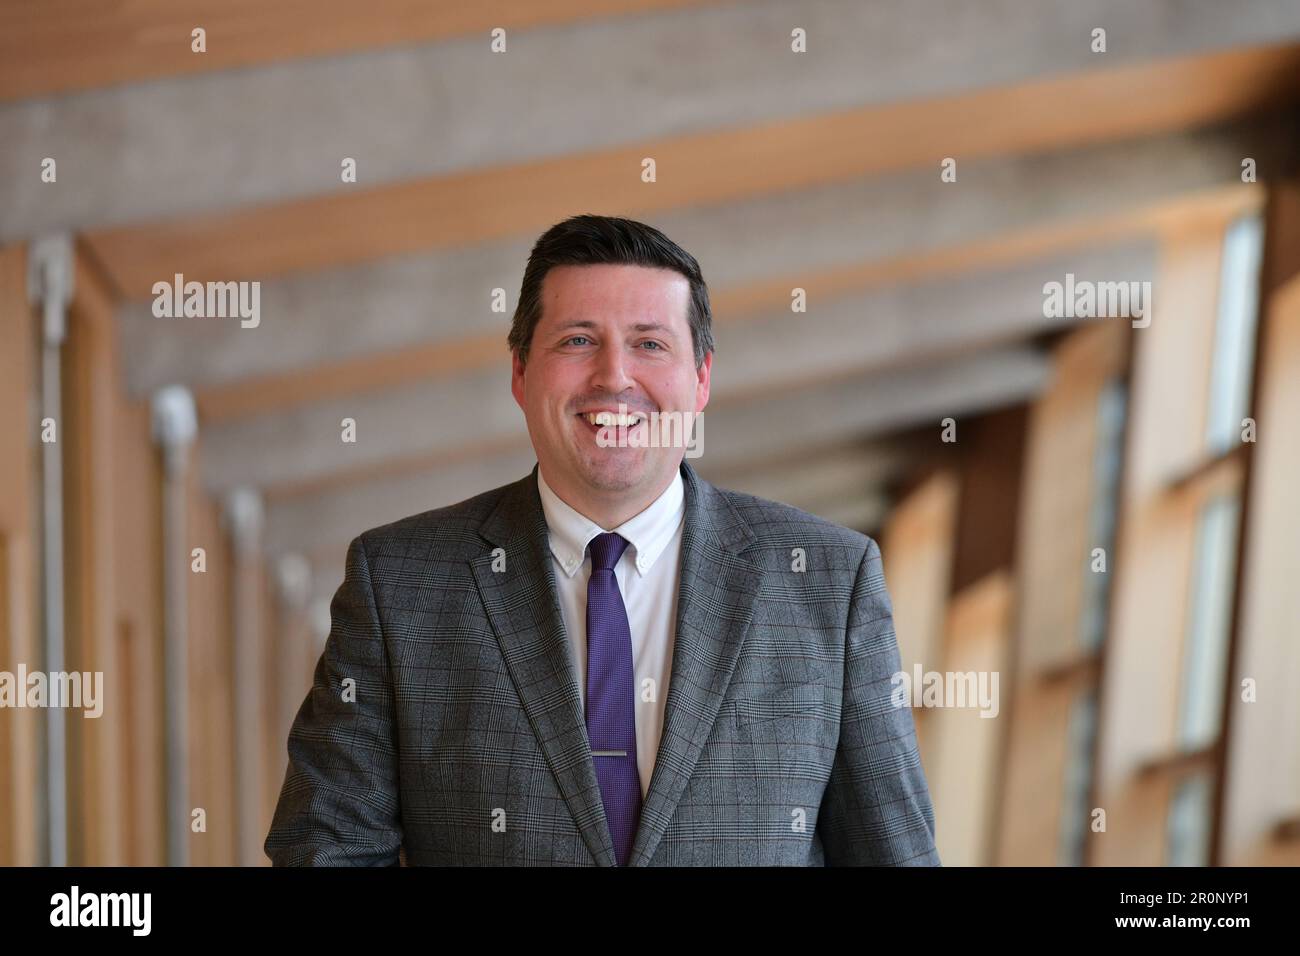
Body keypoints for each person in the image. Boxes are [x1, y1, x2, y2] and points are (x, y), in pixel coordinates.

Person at [264, 214, 940, 866]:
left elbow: (894, 856)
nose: (614, 377)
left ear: (701, 379)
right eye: (578, 340)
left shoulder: (827, 581)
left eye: (650, 343)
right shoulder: (400, 586)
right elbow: (327, 850)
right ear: (520, 373)